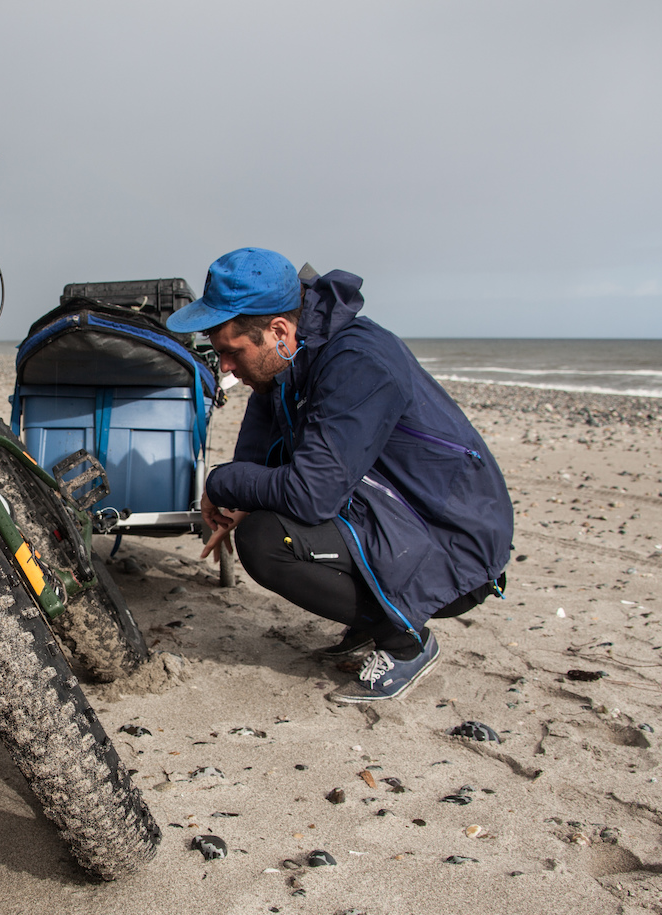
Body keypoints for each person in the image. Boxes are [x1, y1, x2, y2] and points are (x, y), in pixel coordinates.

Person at [166, 248, 512, 702]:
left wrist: (220, 483)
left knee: (266, 542)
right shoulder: (295, 354)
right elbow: (265, 414)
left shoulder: (357, 361)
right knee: (263, 518)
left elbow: (311, 495)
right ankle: (373, 621)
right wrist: (242, 500)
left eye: (232, 353)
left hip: (453, 542)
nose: (226, 368)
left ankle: (405, 643)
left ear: (279, 330)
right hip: (392, 513)